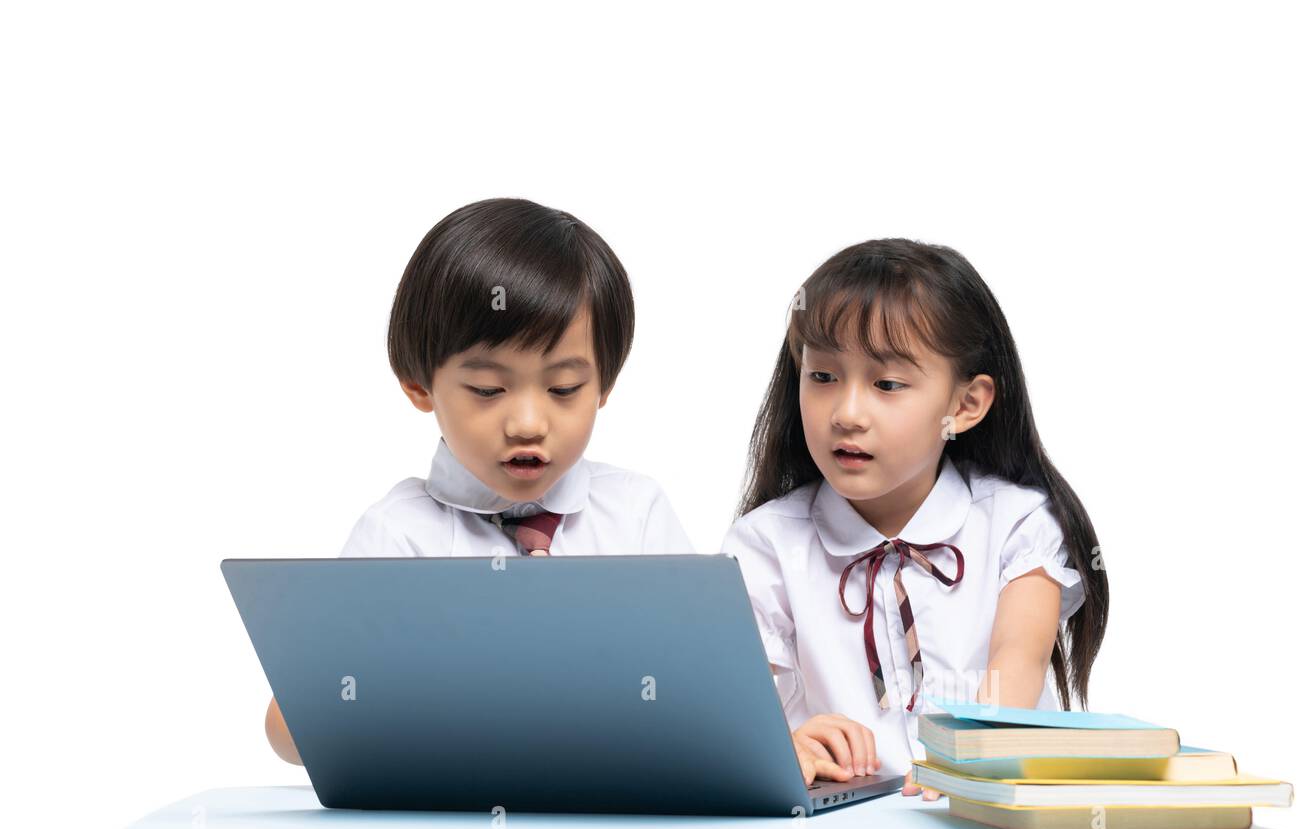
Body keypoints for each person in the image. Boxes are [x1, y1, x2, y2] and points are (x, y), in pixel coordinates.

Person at [267, 198, 694, 764]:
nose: (527, 424)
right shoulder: (399, 536)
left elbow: (705, 686)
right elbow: (288, 732)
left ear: (604, 385)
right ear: (419, 385)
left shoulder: (636, 513)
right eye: (489, 390)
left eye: (564, 389)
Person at [721, 238, 1107, 794]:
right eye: (823, 377)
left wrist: (969, 757)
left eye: (887, 384)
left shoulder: (1018, 524)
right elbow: (737, 710)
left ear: (965, 405)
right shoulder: (765, 545)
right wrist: (784, 744)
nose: (847, 414)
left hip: (990, 820)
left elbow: (1016, 661)